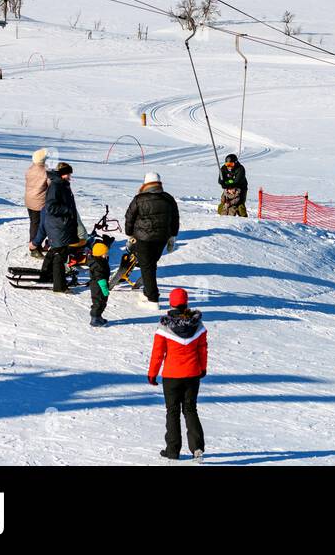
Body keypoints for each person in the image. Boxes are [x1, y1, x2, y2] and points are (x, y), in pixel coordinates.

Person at [148, 287, 207, 462]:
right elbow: (202, 350)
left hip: (172, 376)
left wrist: (152, 374)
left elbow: (157, 353)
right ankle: (197, 447)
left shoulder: (164, 327)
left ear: (171, 303)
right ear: (186, 302)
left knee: (172, 412)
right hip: (192, 374)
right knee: (190, 410)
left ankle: (172, 451)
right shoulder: (198, 326)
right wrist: (202, 369)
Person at [125, 171, 180, 307]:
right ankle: (147, 292)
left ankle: (153, 299)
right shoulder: (168, 198)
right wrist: (172, 236)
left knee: (147, 267)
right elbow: (175, 219)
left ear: (145, 184)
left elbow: (129, 218)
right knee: (150, 265)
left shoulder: (139, 199)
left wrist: (129, 234)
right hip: (161, 238)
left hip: (143, 239)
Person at [38, 163, 81, 293]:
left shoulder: (62, 184)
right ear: (63, 173)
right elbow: (51, 207)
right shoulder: (56, 185)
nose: (70, 177)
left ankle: (46, 274)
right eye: (68, 174)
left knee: (57, 251)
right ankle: (59, 286)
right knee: (60, 255)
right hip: (58, 226)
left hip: (62, 225)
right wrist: (67, 210)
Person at [24, 148, 49, 254]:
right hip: (39, 202)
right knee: (40, 225)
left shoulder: (30, 169)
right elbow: (51, 186)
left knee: (34, 223)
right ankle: (34, 248)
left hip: (29, 200)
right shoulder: (45, 172)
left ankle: (34, 245)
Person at [88, 241, 111, 327]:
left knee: (102, 302)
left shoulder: (100, 260)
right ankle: (94, 318)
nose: (106, 255)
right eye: (105, 253)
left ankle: (98, 316)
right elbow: (100, 278)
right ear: (99, 254)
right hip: (98, 286)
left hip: (99, 284)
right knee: (98, 302)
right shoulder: (98, 265)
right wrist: (104, 289)